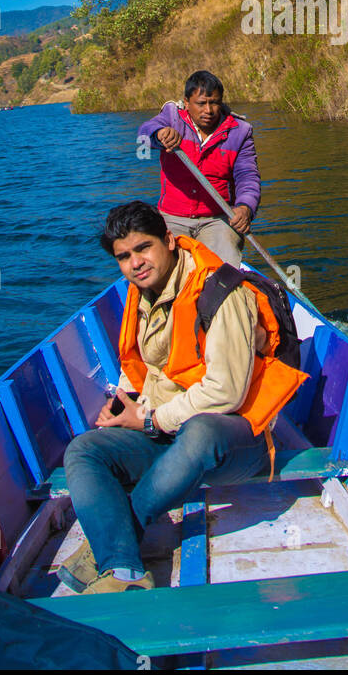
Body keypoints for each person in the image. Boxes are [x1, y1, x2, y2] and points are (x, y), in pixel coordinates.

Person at [59, 200, 306, 595]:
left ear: (170, 241)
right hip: (168, 432)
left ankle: (106, 545)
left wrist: (148, 420)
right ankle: (123, 570)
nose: (135, 263)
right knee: (83, 450)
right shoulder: (142, 293)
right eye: (124, 257)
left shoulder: (222, 292)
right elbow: (151, 365)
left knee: (201, 432)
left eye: (144, 248)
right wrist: (128, 401)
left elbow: (226, 392)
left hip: (235, 442)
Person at [136, 69, 260, 269]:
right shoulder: (172, 117)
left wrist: (245, 208)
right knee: (161, 267)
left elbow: (248, 176)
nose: (209, 110)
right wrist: (159, 134)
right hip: (172, 218)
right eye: (201, 103)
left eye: (215, 103)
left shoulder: (239, 131)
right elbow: (144, 134)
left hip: (217, 219)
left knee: (222, 269)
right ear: (186, 102)